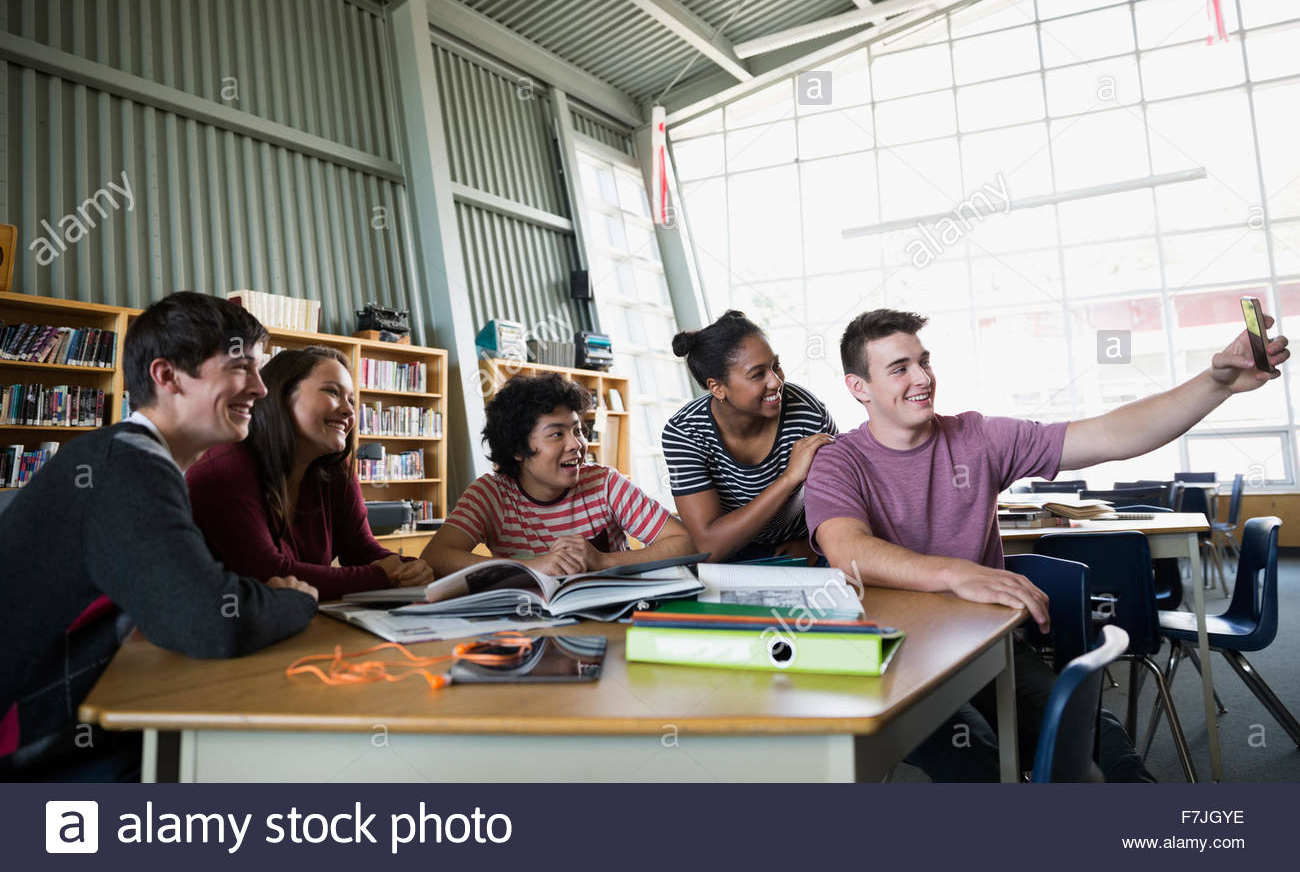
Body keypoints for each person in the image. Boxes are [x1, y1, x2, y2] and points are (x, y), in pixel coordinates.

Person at [804, 308, 1289, 782]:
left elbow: (1109, 434)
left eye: (924, 361)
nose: (923, 377)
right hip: (896, 658)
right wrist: (955, 573)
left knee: (1094, 737)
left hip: (990, 648)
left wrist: (1215, 383)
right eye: (899, 368)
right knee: (976, 761)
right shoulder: (839, 461)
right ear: (859, 388)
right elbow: (849, 550)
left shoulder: (976, 436)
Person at [0, 292, 319, 780]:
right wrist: (295, 600)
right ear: (166, 375)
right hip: (37, 761)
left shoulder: (127, 456)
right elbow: (208, 621)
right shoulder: (127, 464)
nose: (259, 387)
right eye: (241, 367)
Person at [187, 346, 434, 600]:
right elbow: (268, 575)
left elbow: (361, 549)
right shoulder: (225, 469)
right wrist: (382, 576)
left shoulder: (335, 469)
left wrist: (407, 568)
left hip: (290, 622)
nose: (349, 411)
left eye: (351, 400)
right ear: (281, 396)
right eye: (332, 391)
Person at [423, 372, 693, 577]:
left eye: (577, 430)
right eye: (557, 434)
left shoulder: (605, 483)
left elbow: (684, 543)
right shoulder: (491, 494)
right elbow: (436, 556)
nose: (576, 444)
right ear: (518, 449)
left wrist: (603, 561)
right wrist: (531, 567)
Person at [663, 310, 836, 562]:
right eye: (757, 374)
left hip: (807, 540)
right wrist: (789, 478)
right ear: (717, 387)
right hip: (733, 549)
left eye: (776, 365)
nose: (776, 382)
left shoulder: (806, 410)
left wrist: (815, 545)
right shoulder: (685, 433)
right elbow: (708, 546)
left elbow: (843, 498)